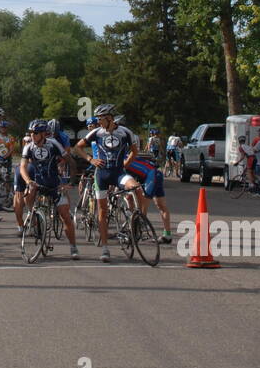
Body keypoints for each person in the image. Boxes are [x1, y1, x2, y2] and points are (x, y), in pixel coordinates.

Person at [75, 105, 138, 263]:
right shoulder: (96, 133)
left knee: (135, 187)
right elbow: (78, 147)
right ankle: (105, 248)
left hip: (118, 173)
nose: (98, 122)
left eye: (100, 118)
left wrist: (126, 164)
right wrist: (91, 160)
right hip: (101, 175)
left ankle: (135, 217)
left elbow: (134, 150)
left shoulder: (124, 132)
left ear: (109, 118)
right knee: (102, 211)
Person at [19, 120, 79, 258]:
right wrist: (28, 181)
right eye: (30, 133)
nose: (32, 135)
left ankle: (73, 247)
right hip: (38, 183)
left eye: (35, 133)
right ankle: (33, 215)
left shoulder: (54, 144)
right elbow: (22, 167)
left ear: (43, 134)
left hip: (55, 184)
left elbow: (71, 162)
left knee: (65, 215)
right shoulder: (28, 147)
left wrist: (70, 182)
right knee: (28, 193)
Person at [121, 153, 173, 244]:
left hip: (151, 176)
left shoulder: (122, 163)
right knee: (161, 206)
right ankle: (167, 235)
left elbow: (126, 181)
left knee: (141, 209)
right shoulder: (127, 156)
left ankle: (135, 236)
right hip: (156, 174)